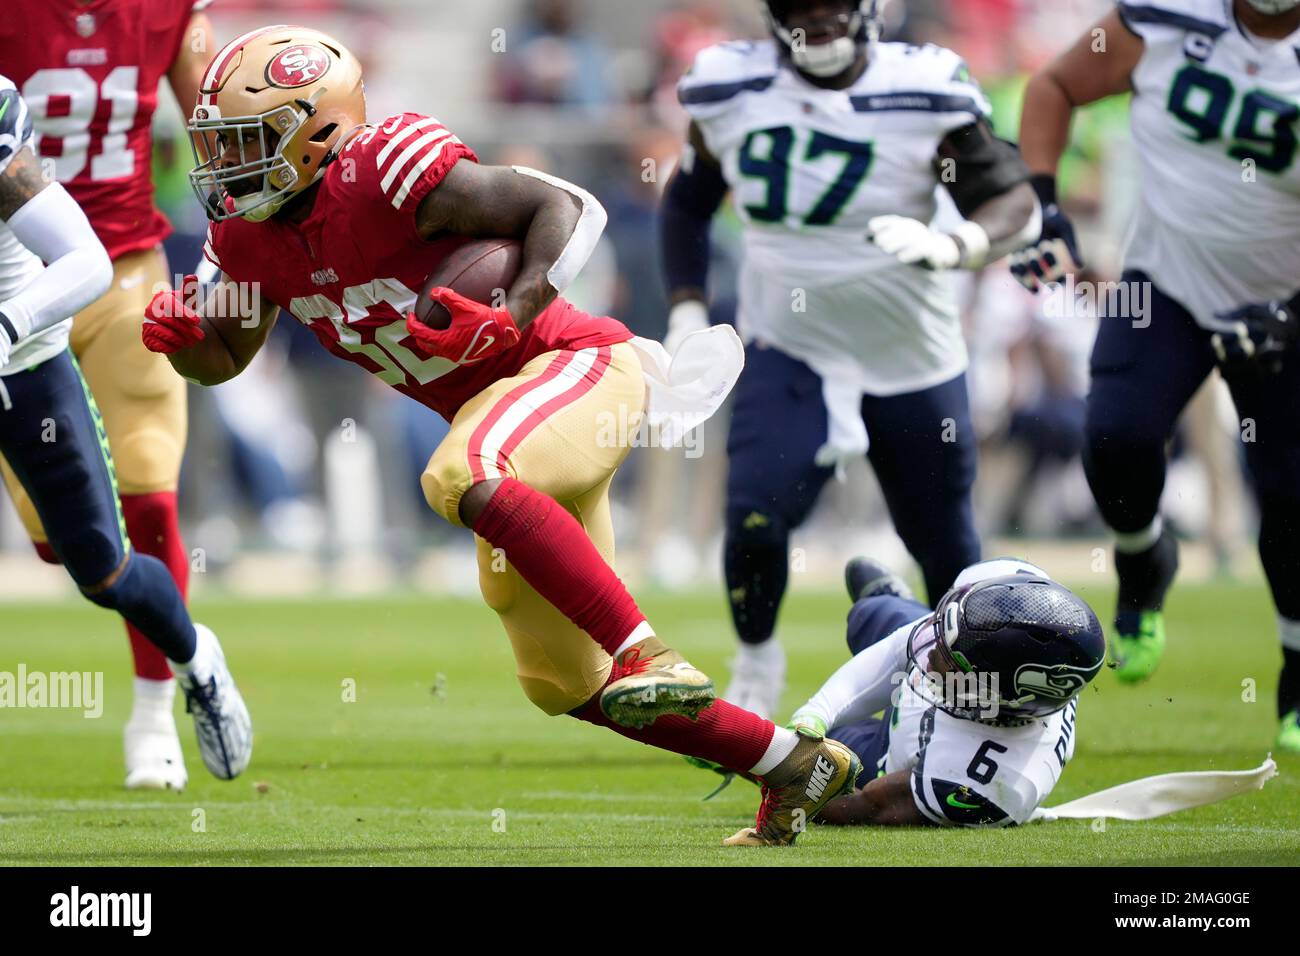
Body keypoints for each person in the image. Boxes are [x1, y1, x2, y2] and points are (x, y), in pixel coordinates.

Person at [141, 24, 859, 846]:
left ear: (319, 128)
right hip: (516, 433)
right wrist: (185, 338)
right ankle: (788, 764)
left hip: (577, 368)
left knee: (461, 471)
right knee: (564, 682)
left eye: (248, 140)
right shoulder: (242, 237)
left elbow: (566, 206)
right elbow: (224, 356)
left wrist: (510, 310)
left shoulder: (385, 167)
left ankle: (651, 653)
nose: (228, 163)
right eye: (218, 143)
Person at [659, 0, 1040, 718]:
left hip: (909, 351)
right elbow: (686, 205)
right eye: (802, 8)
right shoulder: (729, 87)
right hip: (788, 343)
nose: (819, 23)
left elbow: (1013, 201)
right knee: (752, 515)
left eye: (833, 6)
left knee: (943, 540)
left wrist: (960, 244)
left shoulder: (923, 86)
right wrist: (686, 305)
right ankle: (756, 661)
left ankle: (961, 688)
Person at [1013, 0, 1300, 751]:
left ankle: (1298, 668)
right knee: (1115, 436)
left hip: (1286, 298)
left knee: (1291, 493)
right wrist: (1042, 208)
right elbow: (1053, 86)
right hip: (1162, 281)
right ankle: (1145, 560)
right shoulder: (1166, 14)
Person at [0, 75, 251, 784]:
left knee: (101, 570)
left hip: (22, 365)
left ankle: (195, 660)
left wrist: (7, 327)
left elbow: (86, 260)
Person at [786, 557, 1103, 827]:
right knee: (871, 613)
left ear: (1003, 699)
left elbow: (871, 806)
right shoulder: (1010, 590)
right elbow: (901, 647)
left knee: (827, 757)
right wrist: (816, 713)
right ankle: (893, 601)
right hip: (953, 704)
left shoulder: (982, 784)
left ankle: (899, 605)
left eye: (952, 663)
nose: (932, 658)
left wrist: (771, 765)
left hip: (893, 754)